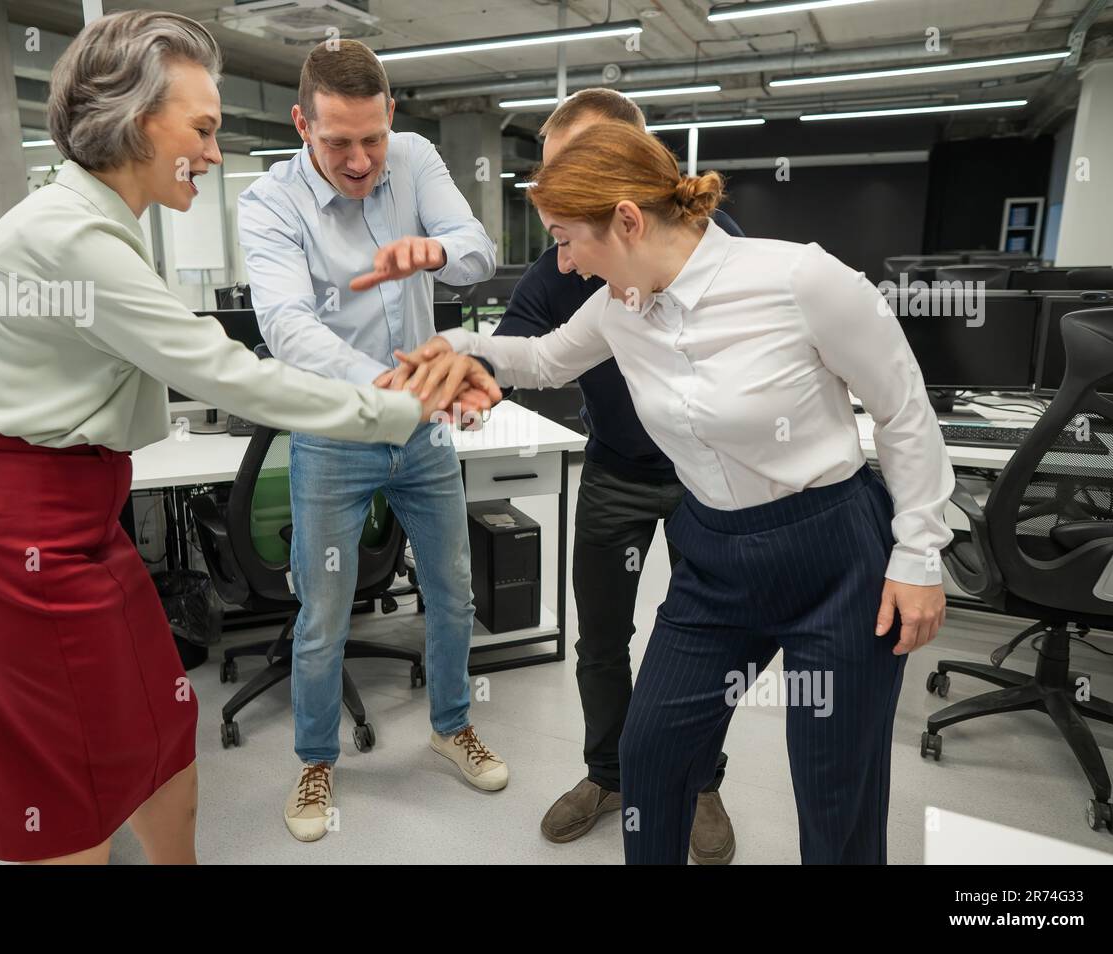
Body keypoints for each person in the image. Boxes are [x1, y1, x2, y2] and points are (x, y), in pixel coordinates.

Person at [0, 11, 467, 865]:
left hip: (77, 514)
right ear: (136, 124)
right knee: (67, 784)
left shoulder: (95, 225)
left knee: (165, 717)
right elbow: (231, 373)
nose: (213, 153)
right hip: (13, 532)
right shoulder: (71, 240)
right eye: (202, 129)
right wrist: (407, 406)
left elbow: (159, 340)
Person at [396, 122, 955, 864]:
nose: (564, 262)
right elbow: (539, 358)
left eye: (568, 239)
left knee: (834, 784)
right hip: (716, 557)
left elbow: (903, 410)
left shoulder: (801, 279)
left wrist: (919, 553)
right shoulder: (619, 308)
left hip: (836, 553)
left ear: (627, 220)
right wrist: (459, 347)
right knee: (652, 752)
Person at [237, 38, 506, 843]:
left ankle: (451, 723)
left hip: (423, 436)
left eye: (372, 137)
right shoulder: (266, 203)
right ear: (300, 124)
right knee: (322, 614)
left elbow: (478, 254)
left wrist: (438, 253)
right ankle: (316, 761)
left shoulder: (416, 158)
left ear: (391, 114)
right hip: (334, 434)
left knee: (454, 591)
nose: (359, 161)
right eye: (336, 142)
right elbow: (285, 325)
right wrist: (387, 385)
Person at [492, 88, 744, 862]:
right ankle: (610, 774)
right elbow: (520, 353)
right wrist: (453, 381)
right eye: (560, 168)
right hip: (615, 469)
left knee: (713, 640)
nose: (573, 184)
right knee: (601, 637)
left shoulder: (717, 243)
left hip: (707, 475)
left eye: (590, 161)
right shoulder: (563, 256)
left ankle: (698, 779)